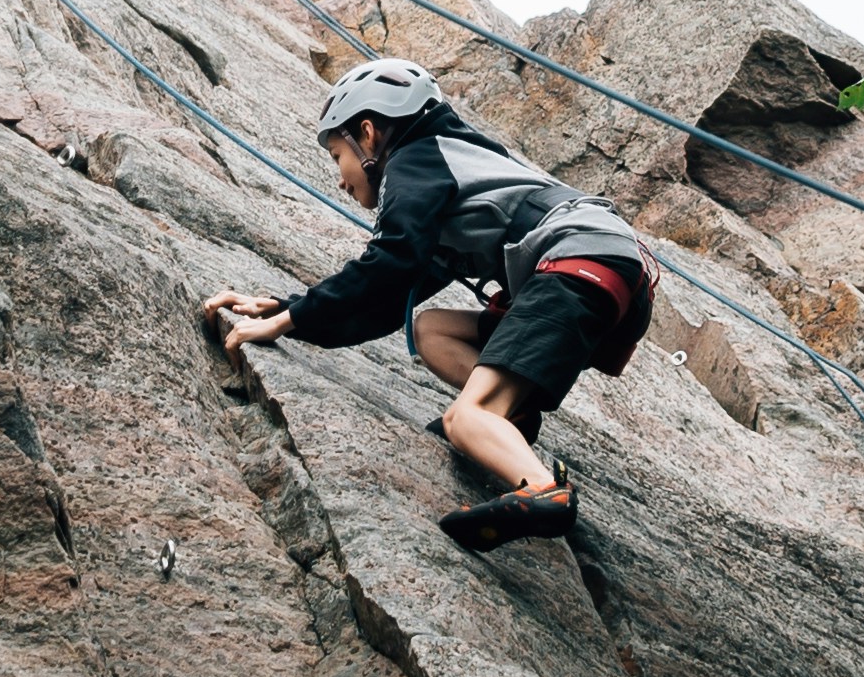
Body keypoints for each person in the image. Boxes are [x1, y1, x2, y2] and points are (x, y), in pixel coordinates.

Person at [199, 57, 659, 547]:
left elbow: (387, 261)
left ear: (369, 134)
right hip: (609, 271)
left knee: (465, 418)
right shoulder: (451, 173)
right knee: (431, 329)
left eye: (338, 157)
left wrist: (291, 317)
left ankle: (545, 489)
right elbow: (385, 300)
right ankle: (509, 419)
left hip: (577, 259)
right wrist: (287, 313)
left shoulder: (415, 160)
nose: (339, 178)